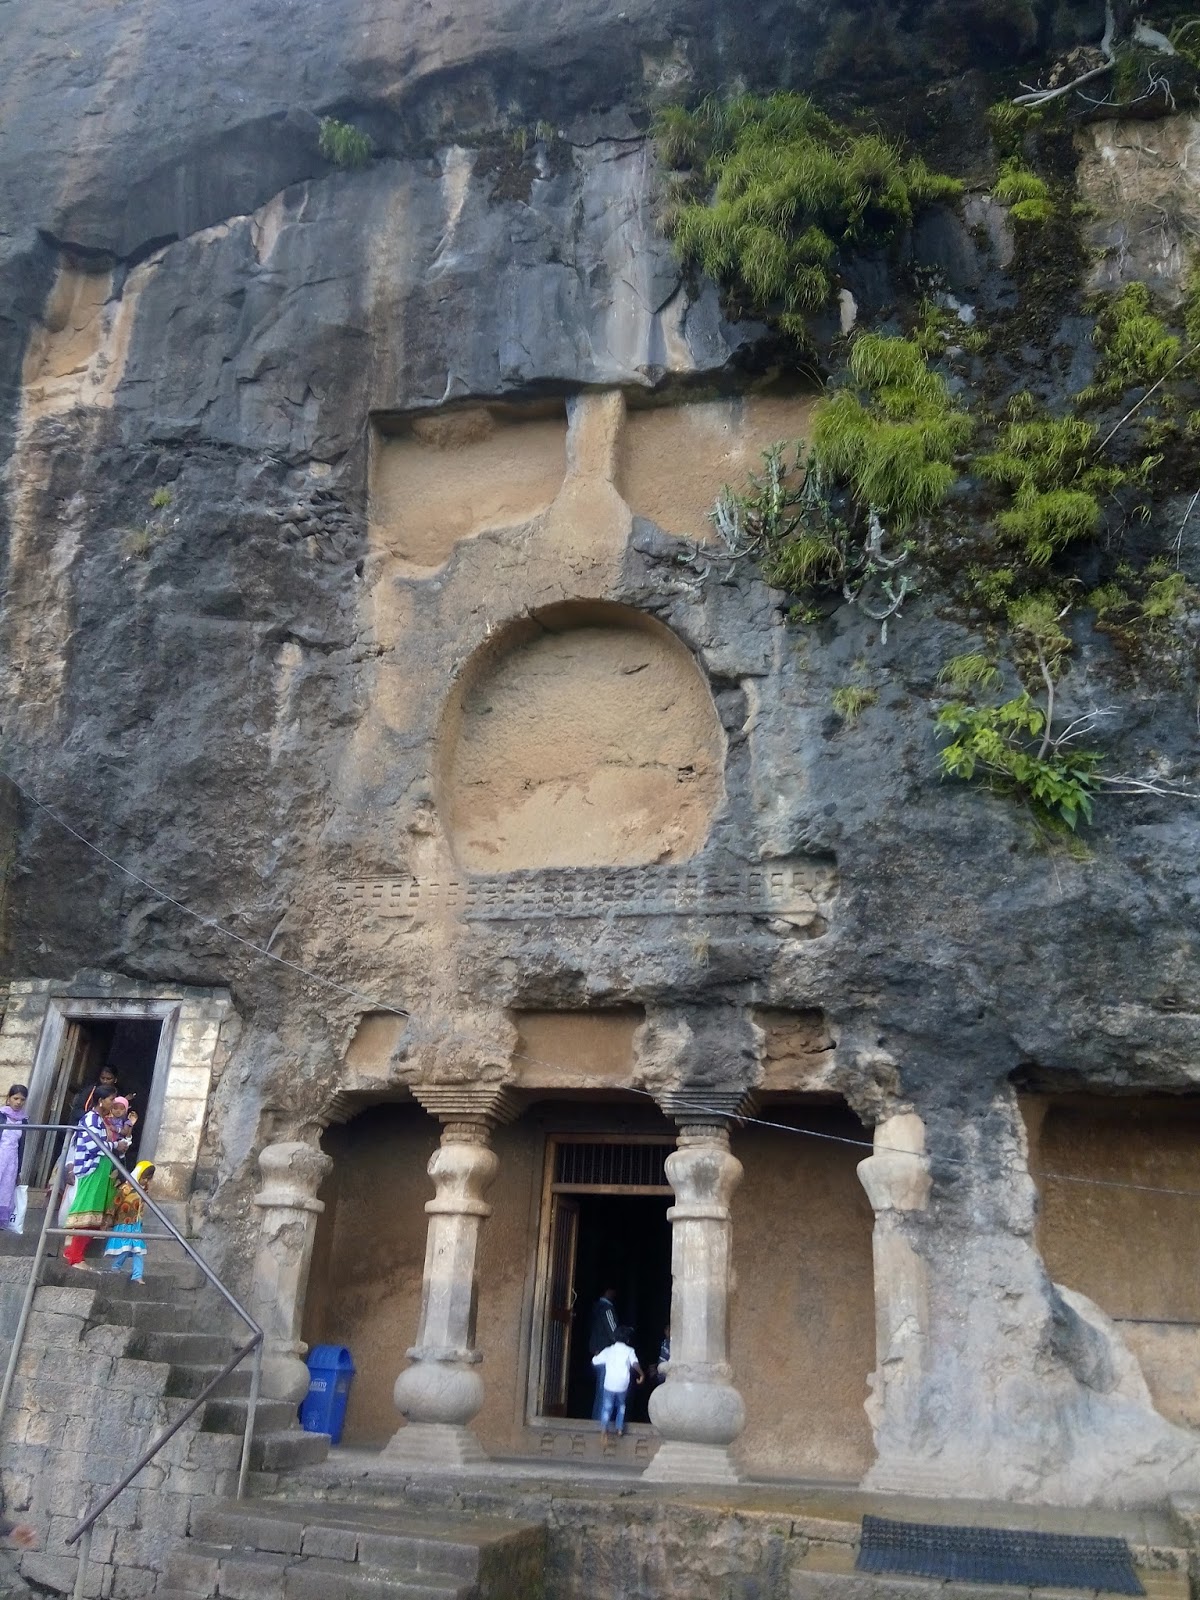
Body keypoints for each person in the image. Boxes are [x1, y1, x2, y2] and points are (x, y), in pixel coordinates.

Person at [61, 1092, 119, 1270]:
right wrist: (116, 1145)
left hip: (101, 1170)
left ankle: (78, 1254)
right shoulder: (91, 1119)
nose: (112, 1103)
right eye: (110, 1100)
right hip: (91, 1168)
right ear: (101, 1101)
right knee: (85, 1210)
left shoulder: (101, 1120)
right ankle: (74, 1256)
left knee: (95, 1213)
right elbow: (94, 1145)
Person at [105, 1161, 154, 1286]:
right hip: (125, 1222)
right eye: (144, 1178)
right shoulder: (126, 1188)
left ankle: (137, 1275)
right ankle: (116, 1267)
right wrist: (109, 1217)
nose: (146, 1181)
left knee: (139, 1250)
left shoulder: (144, 1191)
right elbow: (116, 1202)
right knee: (125, 1249)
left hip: (136, 1224)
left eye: (148, 1178)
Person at [592, 1324, 643, 1440]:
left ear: (614, 1338)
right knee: (621, 1405)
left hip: (609, 1383)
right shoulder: (630, 1351)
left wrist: (596, 1354)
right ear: (628, 1340)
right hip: (622, 1384)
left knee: (607, 1407)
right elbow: (634, 1363)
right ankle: (619, 1429)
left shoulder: (608, 1350)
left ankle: (604, 1428)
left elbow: (595, 1361)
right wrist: (642, 1374)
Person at [589, 1287, 619, 1421]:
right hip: (606, 1352)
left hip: (597, 1350)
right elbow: (613, 1332)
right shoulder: (607, 1309)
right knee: (604, 1387)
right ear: (608, 1291)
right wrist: (622, 1340)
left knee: (600, 1387)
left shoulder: (595, 1308)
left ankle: (597, 1418)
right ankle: (601, 1420)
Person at [0, 1087, 27, 1229]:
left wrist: (18, 1172)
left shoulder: (23, 1121)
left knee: (5, 1191)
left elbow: (21, 1147)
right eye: (15, 1098)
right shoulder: (1, 1116)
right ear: (8, 1098)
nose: (18, 1102)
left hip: (11, 1161)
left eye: (22, 1100)